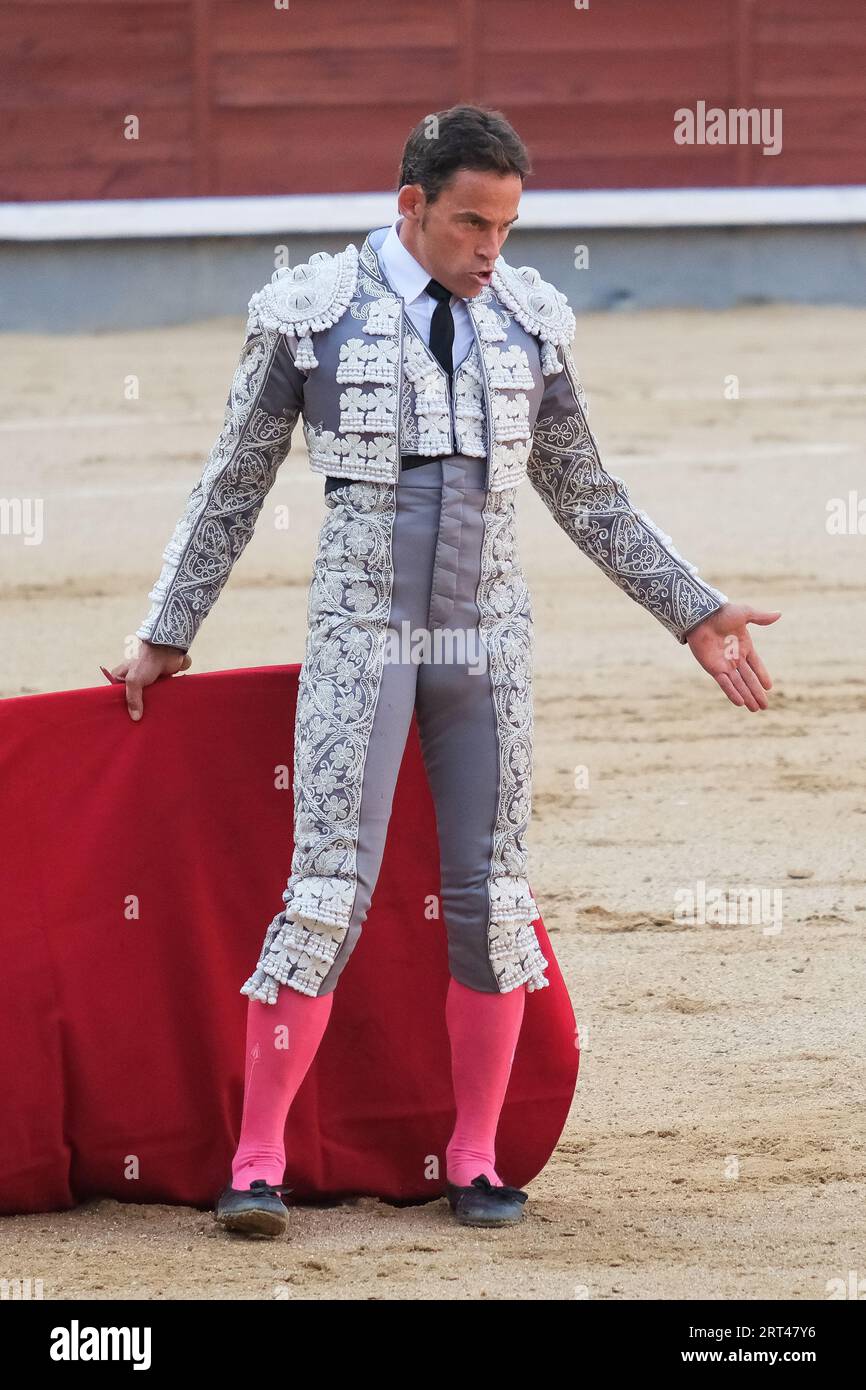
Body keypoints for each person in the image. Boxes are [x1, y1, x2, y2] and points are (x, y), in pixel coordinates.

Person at [108, 104, 780, 1236]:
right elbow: (231, 484)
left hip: (485, 644)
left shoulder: (527, 317)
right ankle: (257, 1159)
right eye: (470, 224)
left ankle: (472, 1156)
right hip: (359, 638)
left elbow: (584, 489)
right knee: (323, 891)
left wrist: (692, 610)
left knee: (493, 898)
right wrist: (167, 627)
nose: (489, 251)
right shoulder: (307, 312)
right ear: (409, 205)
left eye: (507, 229)